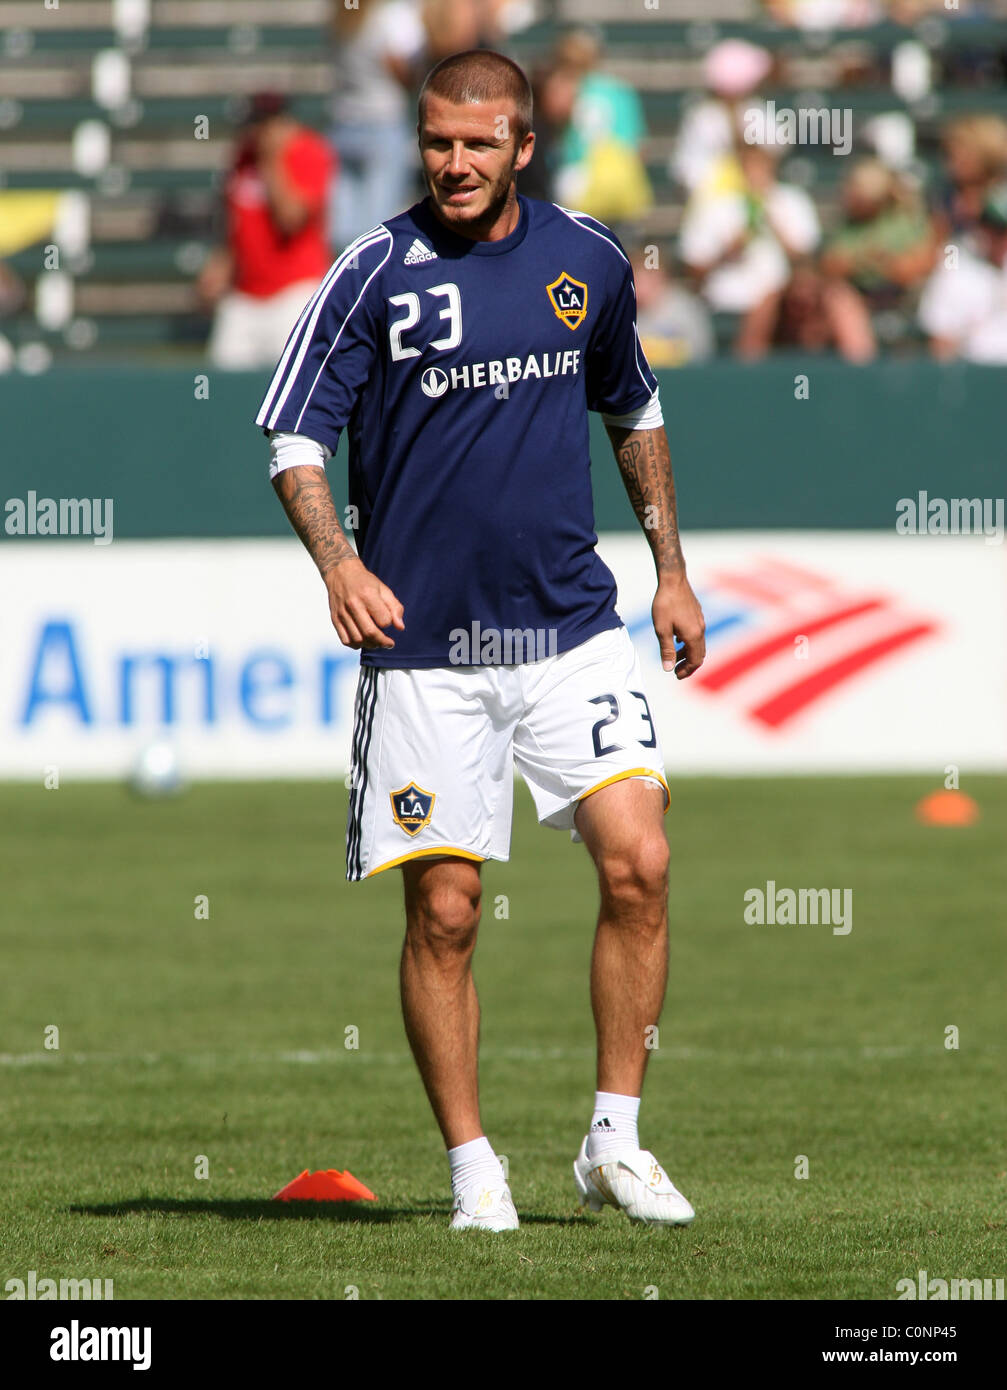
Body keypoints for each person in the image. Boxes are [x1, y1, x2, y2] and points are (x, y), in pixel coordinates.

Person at [255, 48, 706, 1232]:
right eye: (437, 141)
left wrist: (668, 571)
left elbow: (636, 411)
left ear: (520, 146)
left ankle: (614, 1139)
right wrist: (340, 563)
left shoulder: (586, 261)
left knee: (640, 862)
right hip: (427, 655)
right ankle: (472, 1169)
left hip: (569, 631)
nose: (454, 163)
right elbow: (293, 444)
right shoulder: (370, 274)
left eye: (477, 142)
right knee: (445, 912)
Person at [199, 93, 333, 370]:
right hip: (245, 294)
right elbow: (234, 226)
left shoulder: (309, 151)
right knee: (223, 384)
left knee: (291, 384)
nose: (254, 133)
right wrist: (220, 266)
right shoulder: (242, 158)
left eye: (261, 125)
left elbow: (291, 218)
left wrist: (273, 160)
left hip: (294, 291)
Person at [329, 0, 426, 253]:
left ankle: (350, 287)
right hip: (381, 126)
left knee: (343, 230)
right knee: (377, 228)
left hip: (343, 125)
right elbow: (403, 71)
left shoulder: (341, 16)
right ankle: (372, 289)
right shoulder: (390, 16)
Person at [918, 182, 1007, 363]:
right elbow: (941, 343)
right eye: (997, 229)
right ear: (983, 228)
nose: (1002, 237)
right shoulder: (955, 268)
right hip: (974, 375)